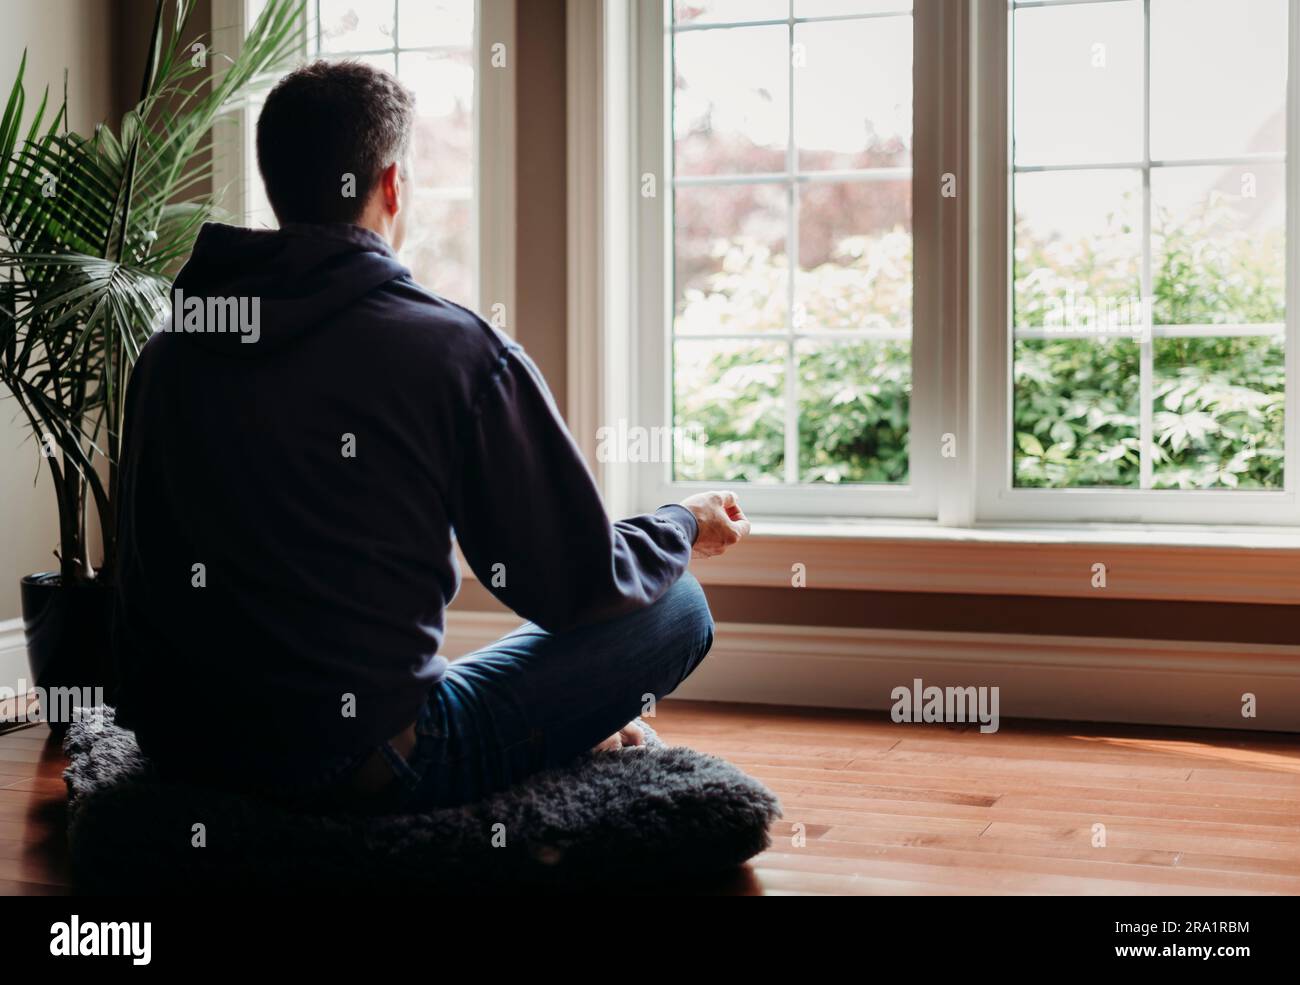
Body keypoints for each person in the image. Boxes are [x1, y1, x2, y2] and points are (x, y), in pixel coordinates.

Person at [110, 59, 750, 812]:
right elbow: (574, 582)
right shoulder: (453, 350)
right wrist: (684, 519)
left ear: (276, 188)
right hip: (362, 763)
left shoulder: (171, 350)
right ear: (391, 184)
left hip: (186, 753)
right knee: (679, 607)